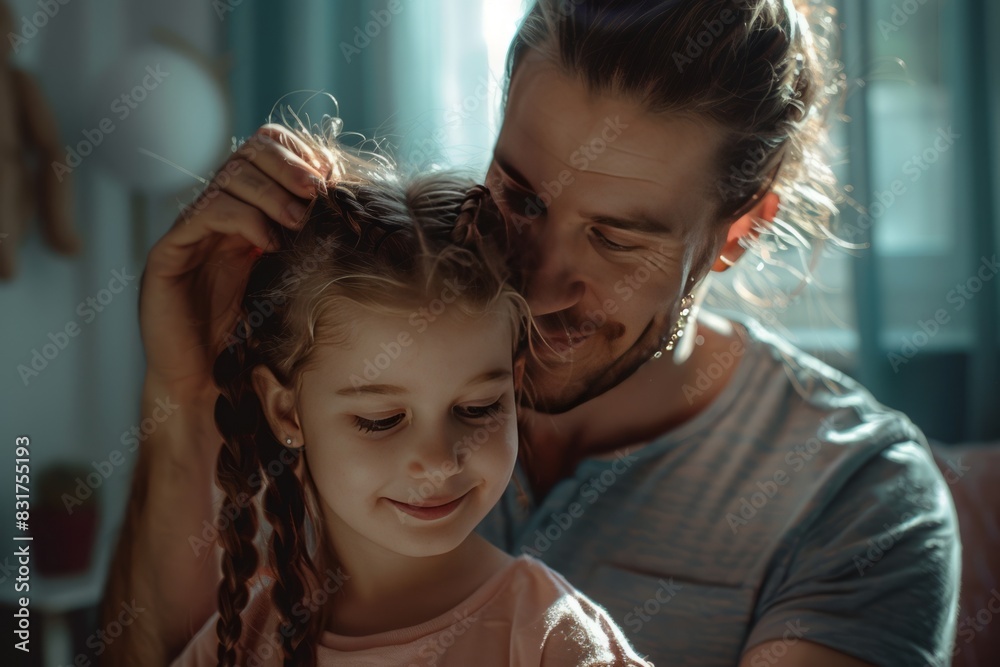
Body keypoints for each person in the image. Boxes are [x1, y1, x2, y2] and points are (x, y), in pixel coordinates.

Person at [103, 1, 961, 666]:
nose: (538, 282)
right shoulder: (344, 378)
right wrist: (183, 397)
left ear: (738, 234)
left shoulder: (859, 499)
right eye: (522, 197)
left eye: (619, 238)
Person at [152, 122, 652, 667]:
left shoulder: (552, 642)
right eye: (382, 419)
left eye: (478, 409)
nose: (438, 461)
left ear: (513, 382)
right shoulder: (240, 642)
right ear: (284, 409)